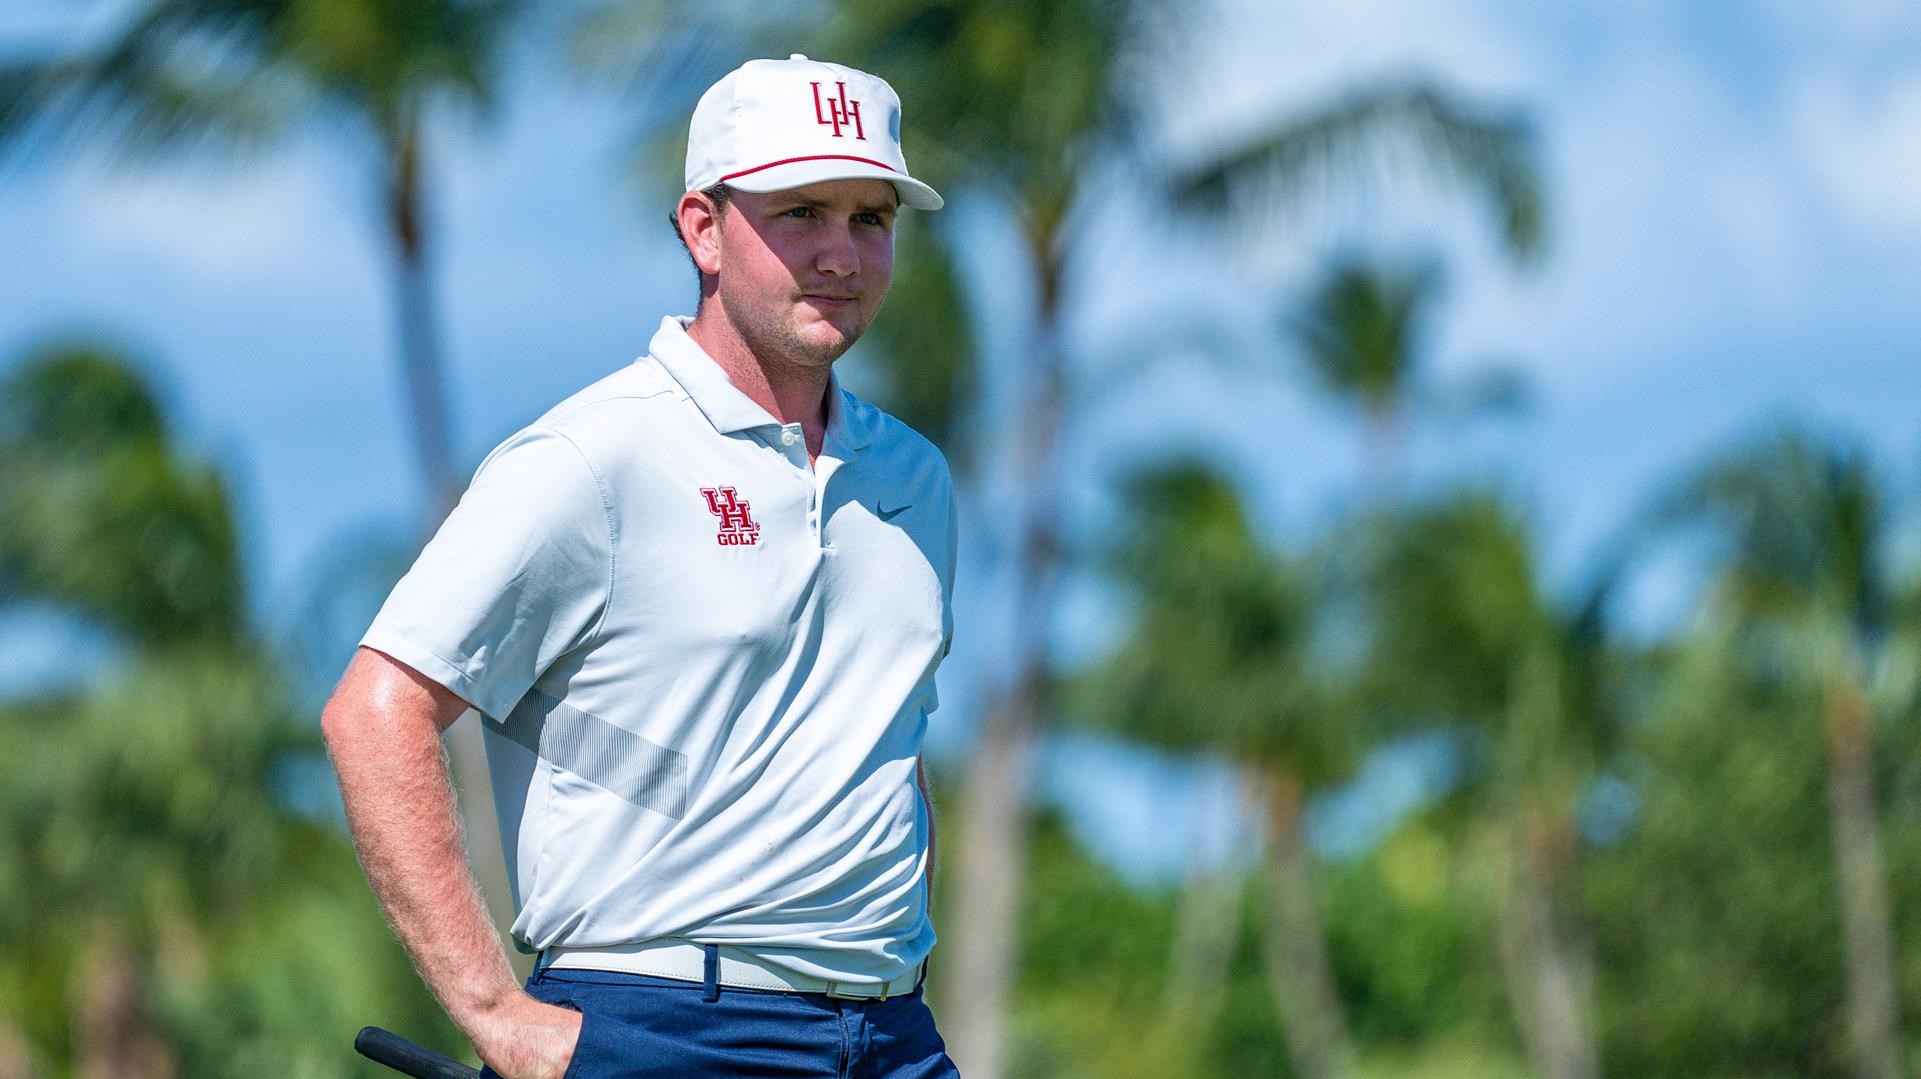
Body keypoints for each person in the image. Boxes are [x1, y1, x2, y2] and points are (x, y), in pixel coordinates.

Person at [321, 54, 959, 1079]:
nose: (842, 252)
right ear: (703, 228)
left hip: (891, 1036)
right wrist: (496, 1014)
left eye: (870, 218)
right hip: (661, 1021)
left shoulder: (915, 480)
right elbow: (374, 708)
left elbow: (887, 736)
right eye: (800, 212)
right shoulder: (593, 454)